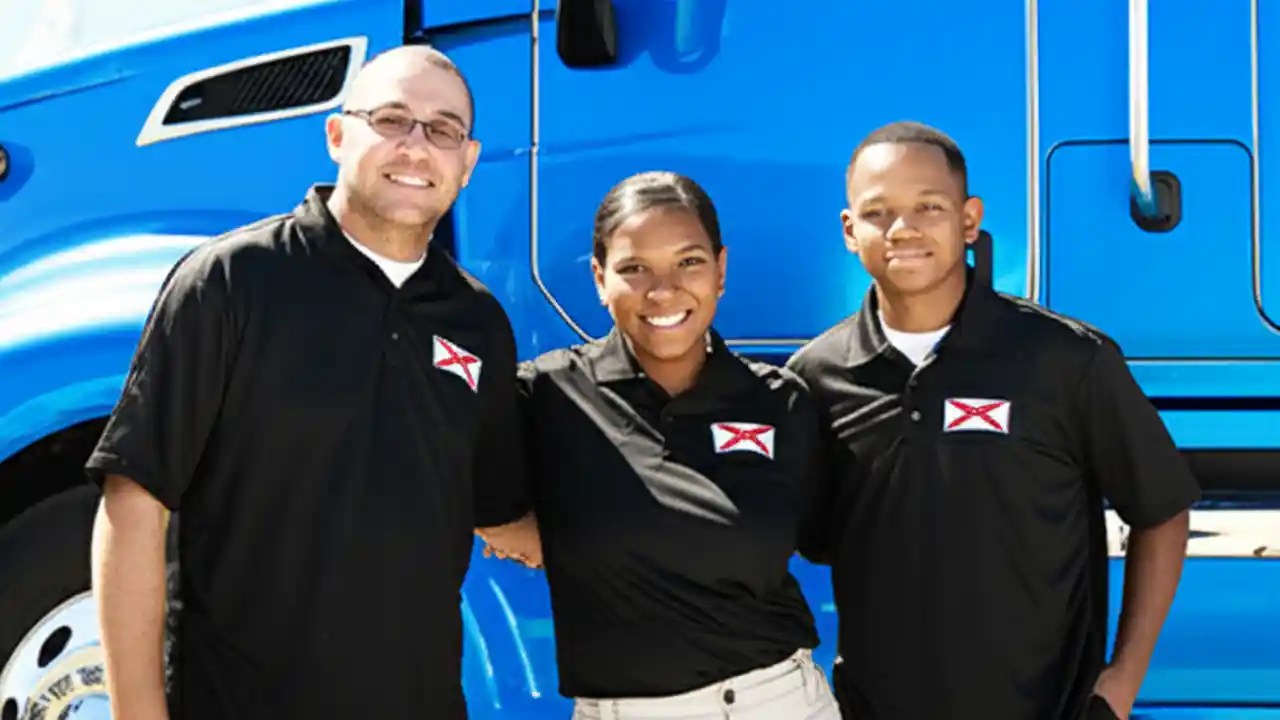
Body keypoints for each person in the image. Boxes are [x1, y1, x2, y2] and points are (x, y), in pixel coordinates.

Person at [85, 45, 538, 720]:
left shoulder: (478, 323)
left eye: (443, 130)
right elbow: (132, 504)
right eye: (391, 119)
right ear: (336, 134)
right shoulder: (231, 283)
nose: (416, 146)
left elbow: (501, 515)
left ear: (467, 164)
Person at [785, 120, 1201, 720]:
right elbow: (812, 540)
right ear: (850, 231)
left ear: (969, 218)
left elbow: (1162, 510)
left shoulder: (1066, 359)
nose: (903, 229)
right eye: (879, 212)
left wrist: (1121, 682)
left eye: (929, 206)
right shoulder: (816, 377)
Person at [494, 170, 841, 718]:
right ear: (598, 278)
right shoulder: (547, 394)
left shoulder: (781, 402)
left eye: (689, 262)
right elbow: (432, 438)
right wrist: (507, 524)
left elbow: (821, 535)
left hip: (776, 702)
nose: (663, 290)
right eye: (634, 268)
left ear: (721, 270)